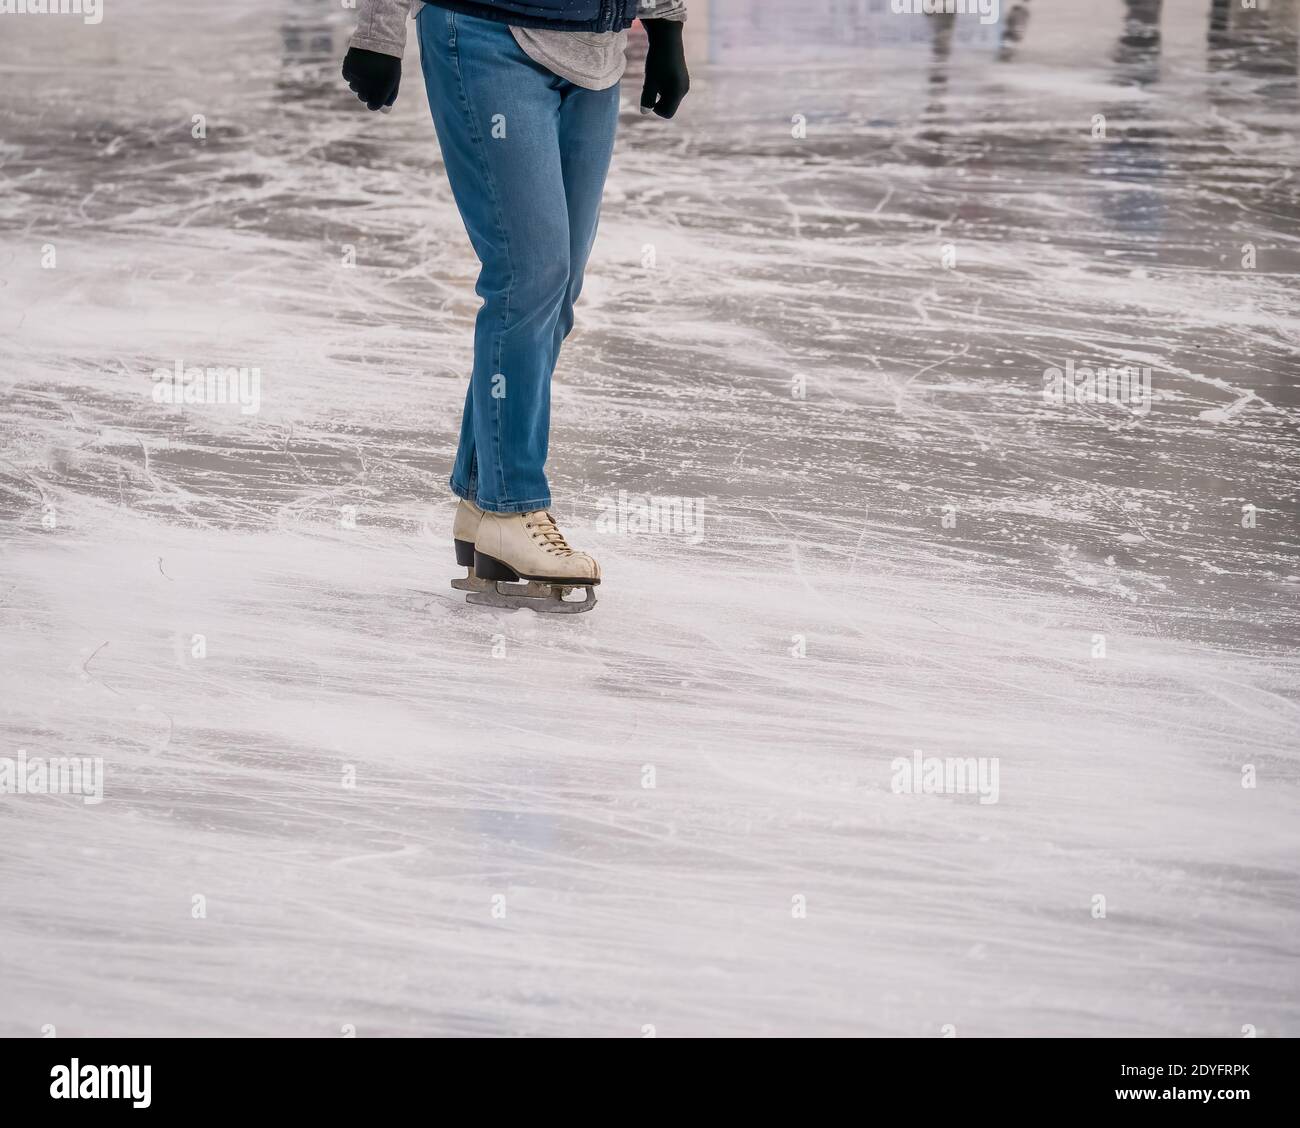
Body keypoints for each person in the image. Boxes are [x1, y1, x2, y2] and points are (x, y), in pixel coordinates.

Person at [341, 1, 690, 612]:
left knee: (555, 292)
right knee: (529, 276)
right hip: (486, 31)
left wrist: (666, 27)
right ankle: (513, 504)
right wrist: (380, 30)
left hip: (597, 51)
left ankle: (482, 501)